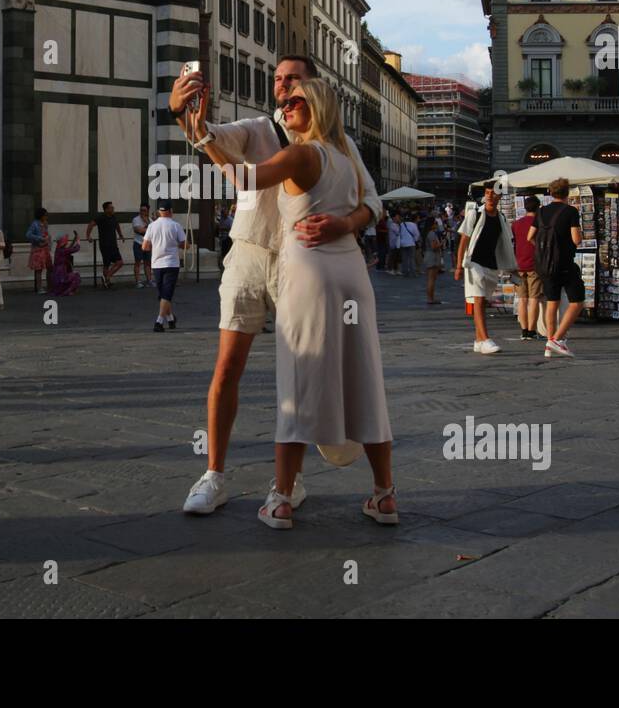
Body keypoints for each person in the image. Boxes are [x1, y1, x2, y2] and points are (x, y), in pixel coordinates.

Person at [168, 55, 382, 515]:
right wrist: (182, 113)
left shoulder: (337, 144)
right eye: (279, 80)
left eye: (293, 81)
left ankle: (289, 485)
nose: (283, 88)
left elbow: (373, 205)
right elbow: (213, 139)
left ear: (314, 90)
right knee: (227, 367)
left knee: (302, 374)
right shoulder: (257, 129)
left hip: (302, 265)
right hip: (248, 252)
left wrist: (344, 223)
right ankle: (214, 474)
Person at [455, 183, 517, 355]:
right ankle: (486, 339)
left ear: (499, 197)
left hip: (491, 263)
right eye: (487, 193)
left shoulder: (502, 218)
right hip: (473, 262)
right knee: (480, 300)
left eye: (493, 193)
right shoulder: (474, 214)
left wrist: (511, 266)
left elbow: (505, 244)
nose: (490, 196)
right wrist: (458, 266)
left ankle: (478, 340)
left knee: (481, 303)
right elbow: (463, 241)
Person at [529, 177, 584, 359]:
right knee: (577, 302)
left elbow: (530, 236)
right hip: (565, 263)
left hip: (544, 265)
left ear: (551, 193)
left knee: (552, 304)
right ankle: (557, 339)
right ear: (567, 193)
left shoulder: (541, 211)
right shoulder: (571, 211)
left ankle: (548, 344)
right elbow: (576, 239)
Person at [140, 201, 187, 332]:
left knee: (163, 293)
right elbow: (184, 245)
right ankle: (159, 322)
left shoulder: (152, 226)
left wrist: (156, 245)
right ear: (171, 211)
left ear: (159, 212)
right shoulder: (176, 226)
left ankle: (171, 319)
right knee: (166, 294)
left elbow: (144, 246)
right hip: (171, 263)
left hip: (157, 264)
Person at [512, 194, 542, 340]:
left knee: (522, 299)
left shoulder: (516, 224)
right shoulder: (539, 223)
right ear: (538, 207)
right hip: (534, 265)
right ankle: (532, 330)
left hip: (518, 265)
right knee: (534, 299)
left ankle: (524, 330)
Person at [86, 202, 125, 289]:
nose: (113, 209)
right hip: (105, 245)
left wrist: (120, 235)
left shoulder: (114, 217)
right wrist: (88, 236)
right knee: (106, 264)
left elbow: (117, 226)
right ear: (106, 209)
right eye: (111, 208)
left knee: (120, 262)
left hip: (113, 244)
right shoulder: (101, 217)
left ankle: (106, 277)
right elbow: (91, 224)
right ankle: (107, 281)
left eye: (113, 207)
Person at [26, 207, 52, 292]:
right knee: (39, 269)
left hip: (45, 248)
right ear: (41, 215)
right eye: (45, 215)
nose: (46, 217)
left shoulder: (45, 223)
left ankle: (49, 286)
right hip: (38, 249)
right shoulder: (35, 224)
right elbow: (28, 235)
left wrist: (48, 244)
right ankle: (39, 288)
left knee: (49, 267)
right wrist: (40, 238)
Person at [421, 216, 444, 305]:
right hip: (432, 256)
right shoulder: (431, 234)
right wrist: (441, 243)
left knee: (431, 279)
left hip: (429, 255)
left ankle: (431, 298)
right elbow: (434, 246)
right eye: (435, 223)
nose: (436, 224)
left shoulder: (427, 233)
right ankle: (430, 298)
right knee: (431, 279)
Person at [50, 232, 82, 297]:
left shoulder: (59, 249)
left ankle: (64, 290)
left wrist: (74, 239)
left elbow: (69, 248)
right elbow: (76, 249)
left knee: (72, 275)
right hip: (61, 275)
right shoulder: (63, 250)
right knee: (76, 276)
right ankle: (67, 292)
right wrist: (78, 240)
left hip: (57, 274)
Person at [131, 204, 152, 288]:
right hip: (138, 243)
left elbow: (152, 231)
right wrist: (147, 229)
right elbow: (139, 230)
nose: (142, 212)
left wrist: (146, 222)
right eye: (141, 210)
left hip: (147, 244)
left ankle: (149, 280)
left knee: (147, 263)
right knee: (138, 262)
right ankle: (138, 281)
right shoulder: (136, 219)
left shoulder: (150, 220)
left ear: (147, 211)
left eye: (144, 210)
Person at [396, 211, 419, 277]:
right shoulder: (413, 225)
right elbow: (416, 234)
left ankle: (405, 272)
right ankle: (413, 272)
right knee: (411, 258)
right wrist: (415, 240)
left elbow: (399, 233)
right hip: (411, 243)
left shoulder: (401, 225)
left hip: (403, 244)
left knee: (404, 258)